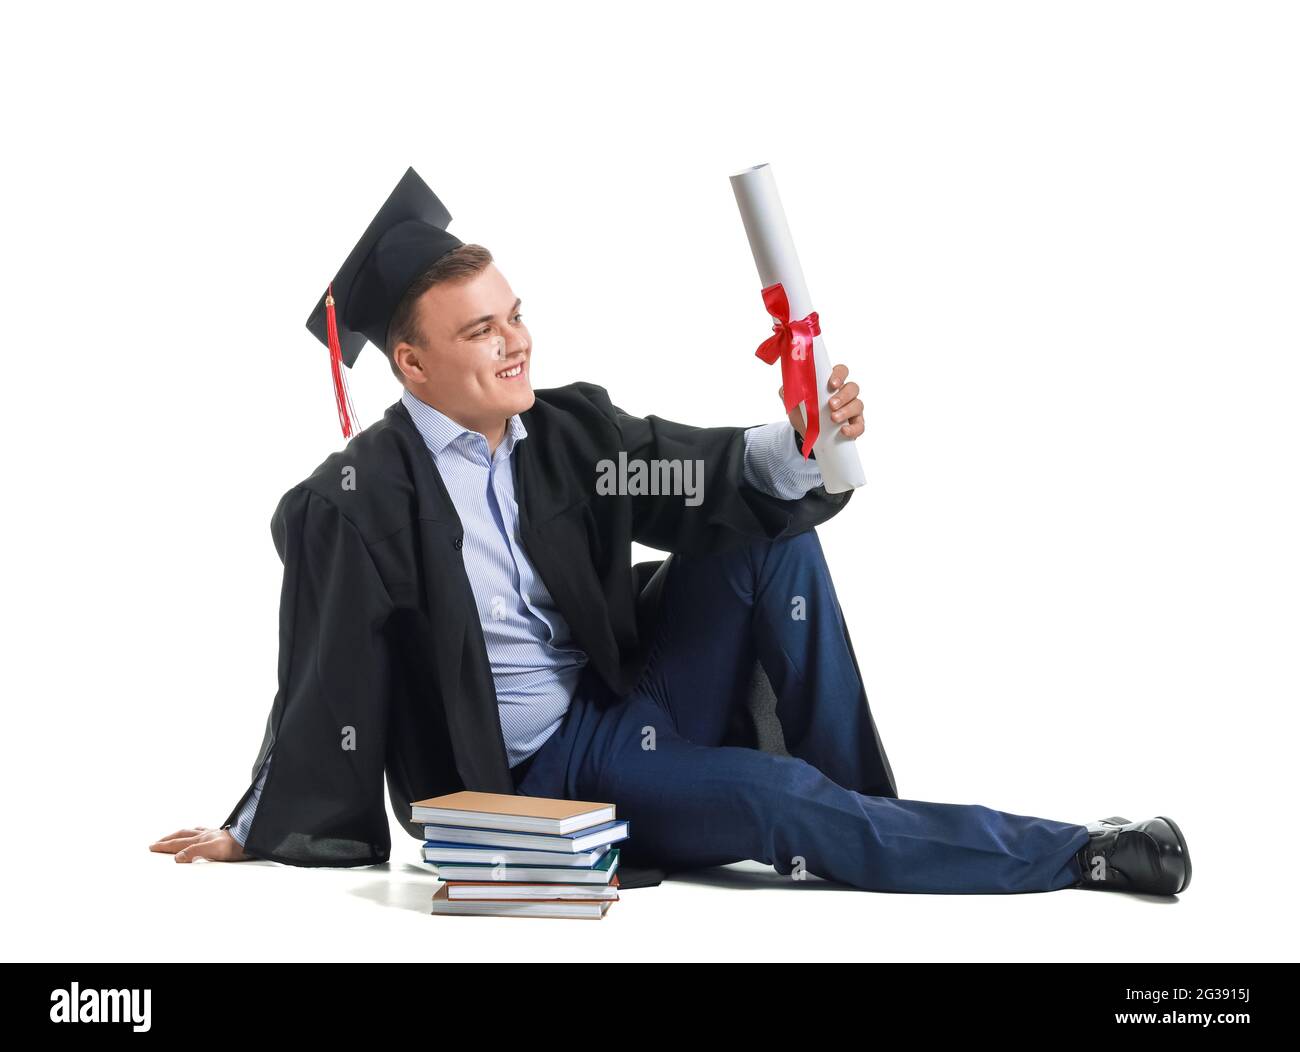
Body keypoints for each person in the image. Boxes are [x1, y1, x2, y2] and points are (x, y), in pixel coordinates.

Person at [149, 167, 1191, 896]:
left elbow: (701, 474)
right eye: (481, 330)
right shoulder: (357, 498)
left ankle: (869, 819)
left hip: (628, 688)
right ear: (411, 364)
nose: (516, 342)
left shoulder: (564, 428)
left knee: (767, 534)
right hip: (546, 775)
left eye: (514, 312)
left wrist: (800, 438)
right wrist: (249, 822)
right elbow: (317, 674)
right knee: (776, 798)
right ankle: (1079, 853)